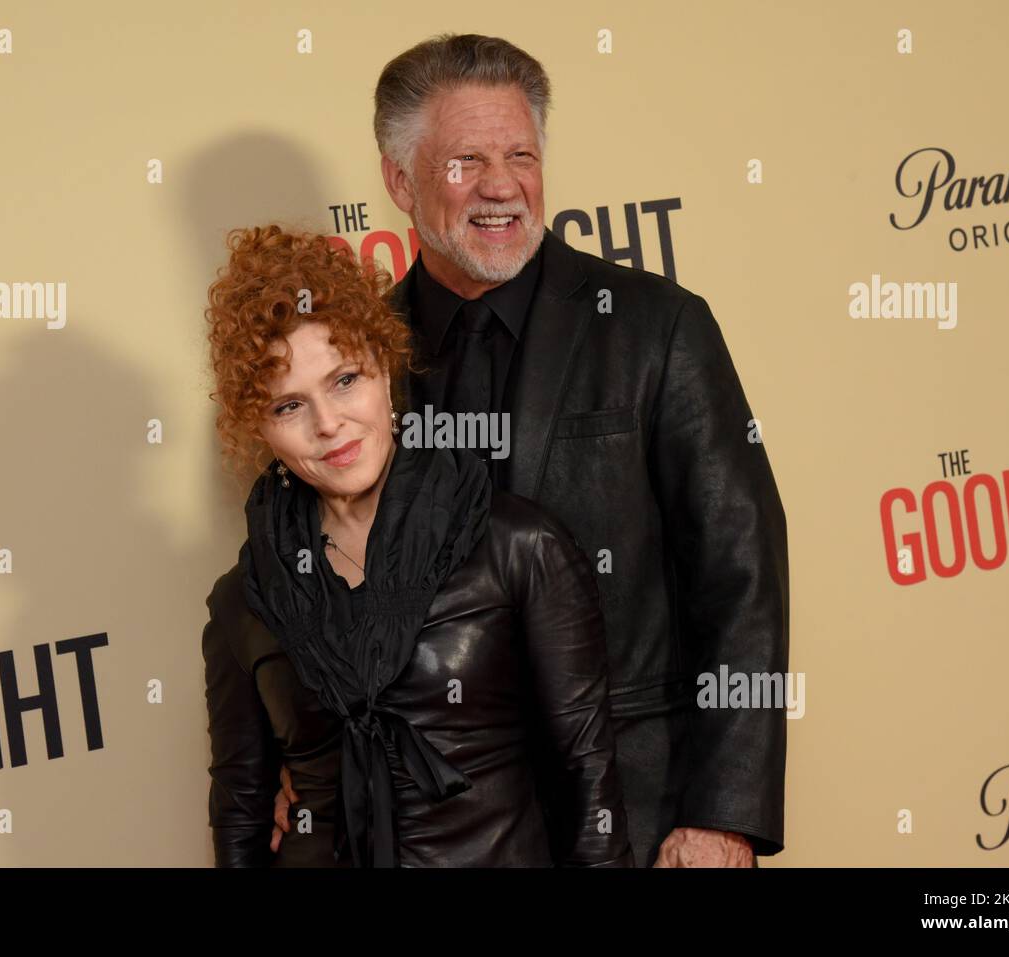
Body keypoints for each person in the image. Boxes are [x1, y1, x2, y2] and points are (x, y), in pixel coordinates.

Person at [268, 33, 790, 869]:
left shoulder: (657, 327)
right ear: (399, 181)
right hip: (439, 830)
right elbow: (311, 581)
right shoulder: (351, 366)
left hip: (645, 810)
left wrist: (721, 816)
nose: (501, 185)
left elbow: (742, 577)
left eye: (520, 155)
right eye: (466, 161)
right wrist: (304, 757)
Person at [200, 223, 634, 867]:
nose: (329, 424)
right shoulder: (246, 601)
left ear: (385, 366)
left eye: (345, 380)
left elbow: (587, 776)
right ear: (258, 428)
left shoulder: (518, 547)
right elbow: (240, 813)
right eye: (289, 406)